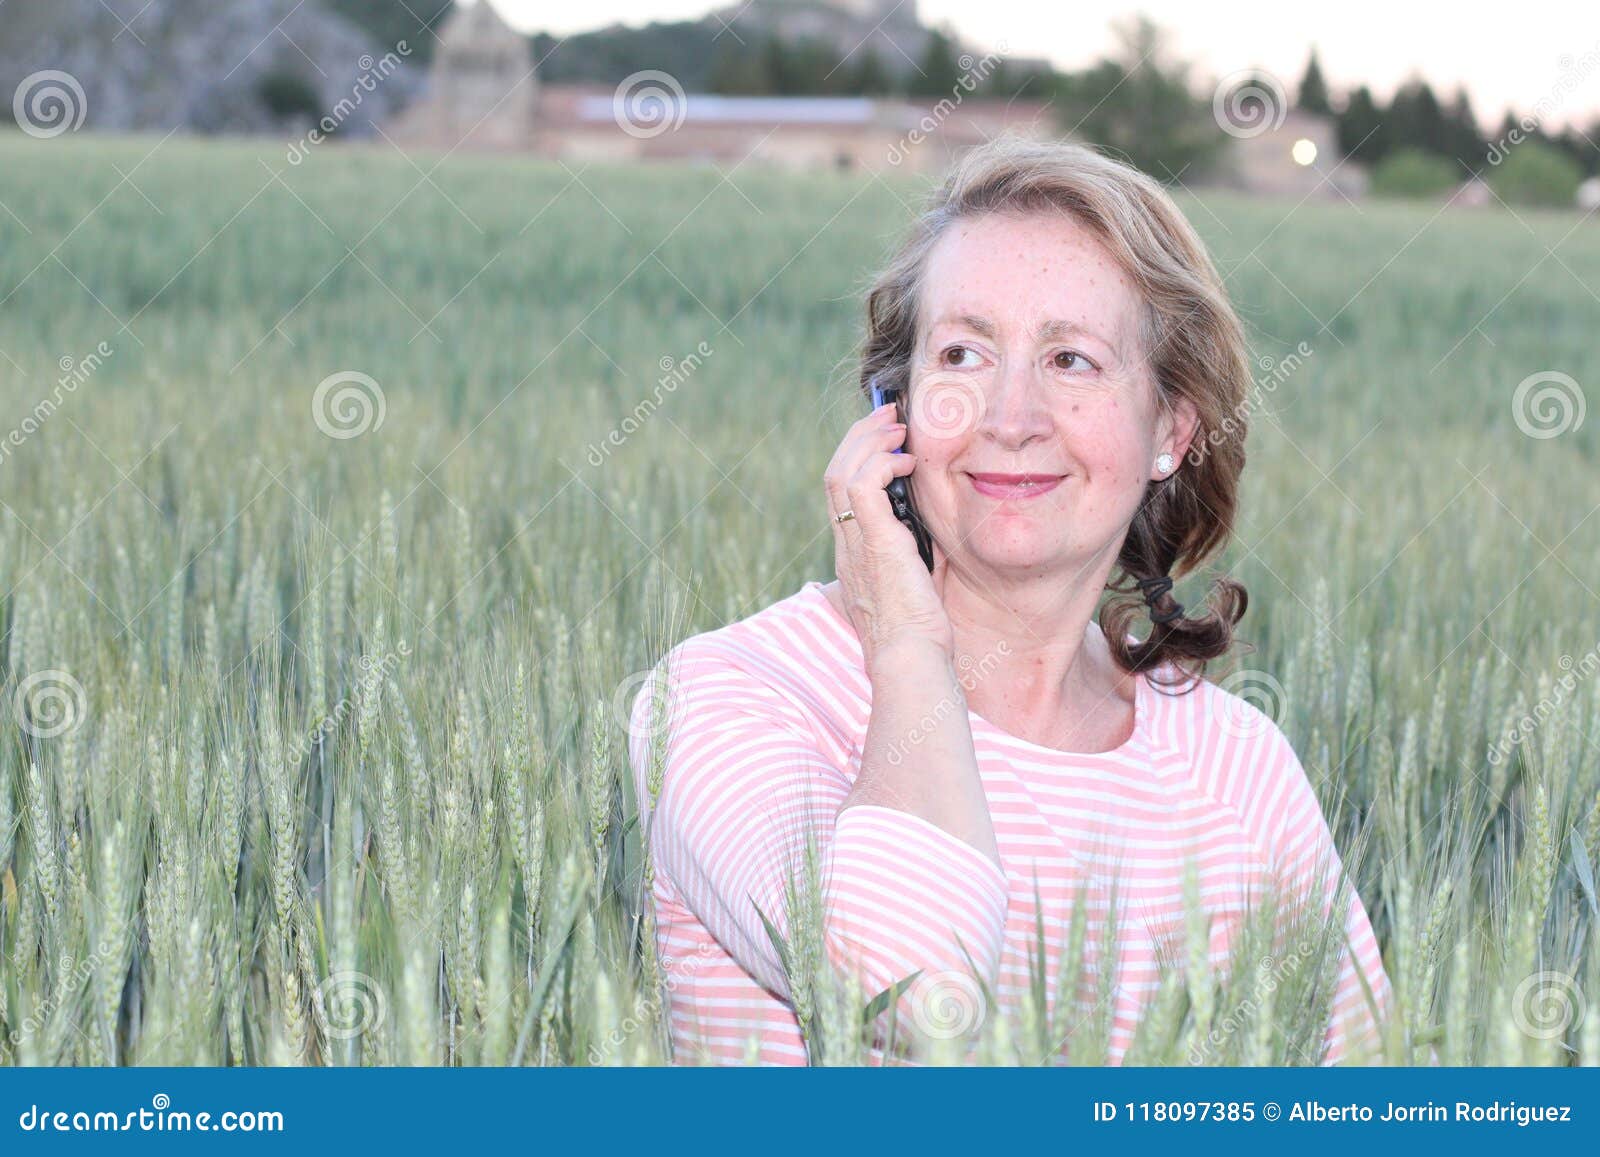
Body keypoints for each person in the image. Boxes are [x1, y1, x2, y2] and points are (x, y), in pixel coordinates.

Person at [627, 133, 1392, 1066]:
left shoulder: (1237, 771)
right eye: (963, 353)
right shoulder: (728, 700)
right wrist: (907, 646)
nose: (1010, 418)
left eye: (1072, 360)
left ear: (1173, 428)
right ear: (893, 407)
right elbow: (916, 994)